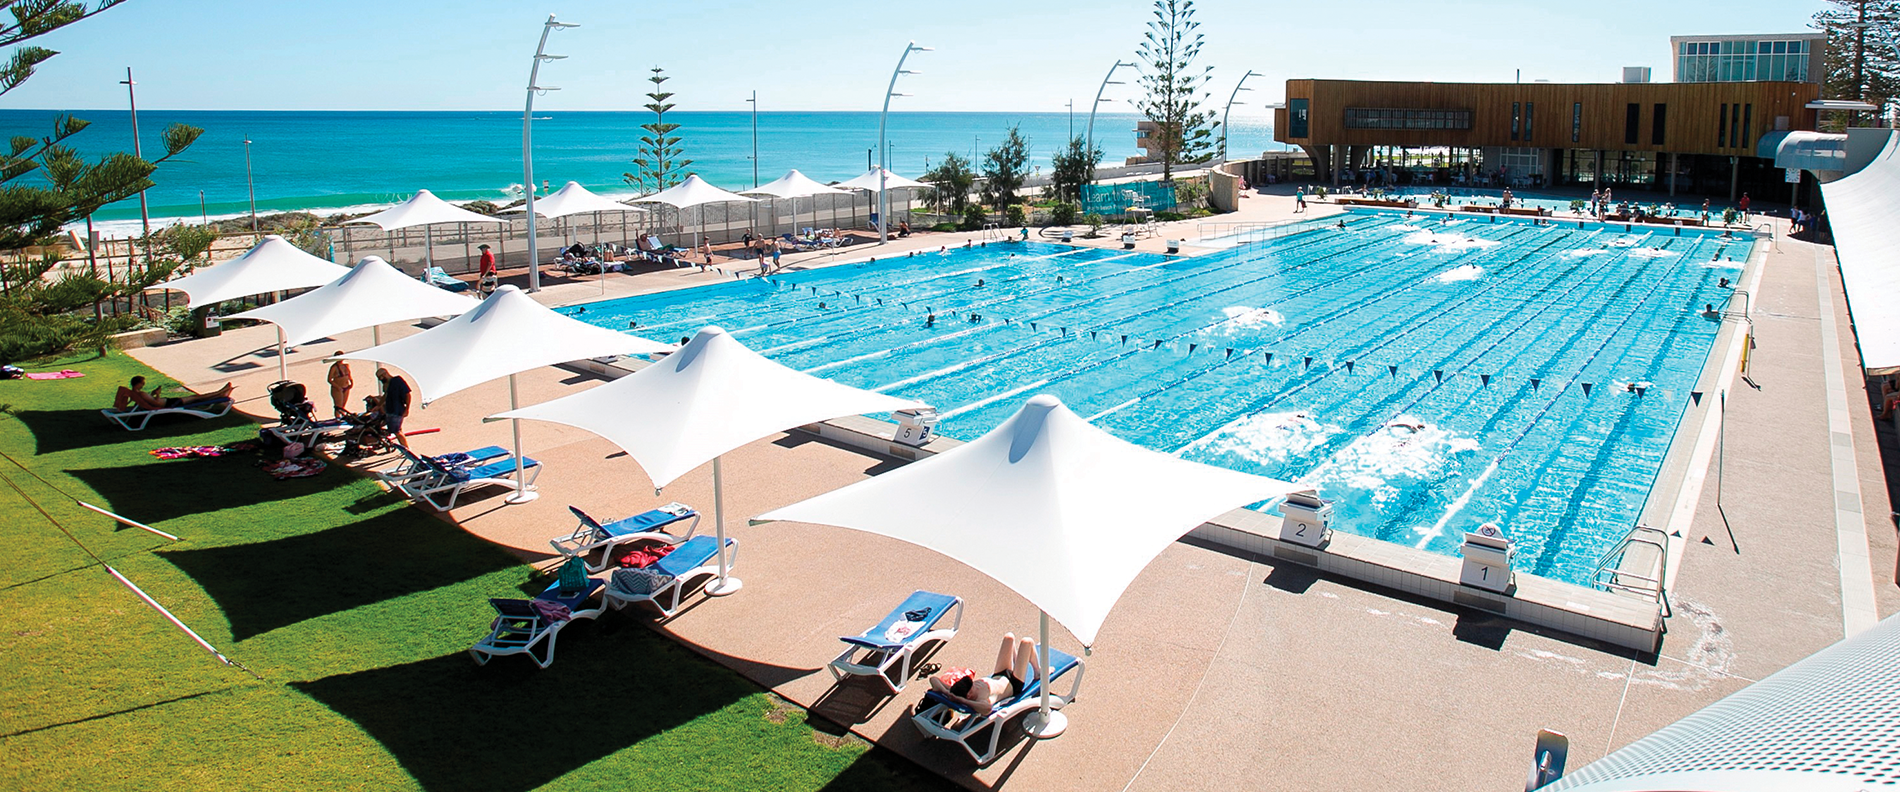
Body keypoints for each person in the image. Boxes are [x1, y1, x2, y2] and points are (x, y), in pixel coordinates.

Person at [928, 633, 1041, 715]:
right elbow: (987, 709)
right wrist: (962, 701)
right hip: (1014, 683)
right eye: (973, 687)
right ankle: (1037, 671)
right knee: (1027, 642)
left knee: (1009, 637)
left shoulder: (956, 690)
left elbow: (933, 679)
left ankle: (1019, 660)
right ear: (969, 696)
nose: (975, 684)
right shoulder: (981, 699)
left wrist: (945, 691)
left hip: (999, 674)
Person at [114, 376, 233, 411]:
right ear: (138, 384)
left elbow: (150, 401)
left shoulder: (138, 394)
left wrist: (154, 393)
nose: (144, 384)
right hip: (169, 403)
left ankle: (220, 393)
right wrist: (158, 394)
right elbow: (156, 403)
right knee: (197, 398)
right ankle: (220, 393)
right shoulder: (142, 394)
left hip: (168, 402)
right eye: (143, 382)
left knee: (196, 398)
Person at [376, 368, 412, 448]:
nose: (380, 380)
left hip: (397, 410)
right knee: (397, 429)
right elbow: (385, 395)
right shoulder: (386, 384)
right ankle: (404, 446)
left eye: (380, 377)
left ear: (384, 374)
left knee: (397, 431)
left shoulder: (397, 381)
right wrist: (379, 405)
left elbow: (407, 395)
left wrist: (407, 409)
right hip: (389, 410)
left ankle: (406, 448)